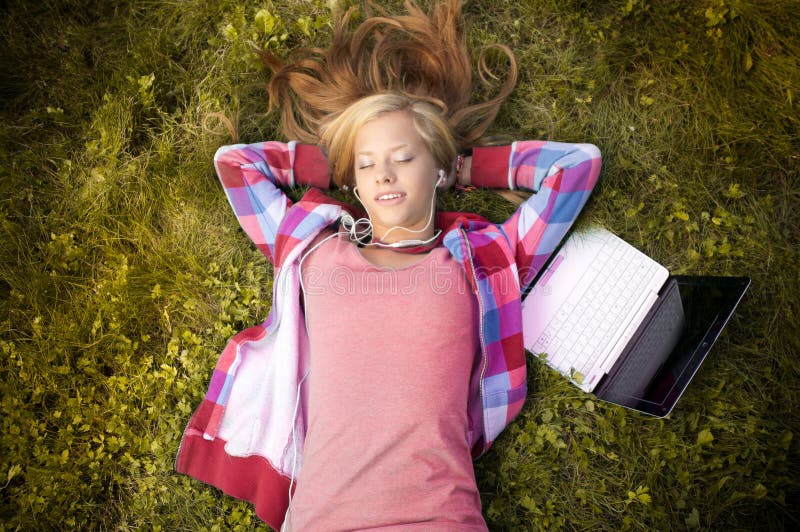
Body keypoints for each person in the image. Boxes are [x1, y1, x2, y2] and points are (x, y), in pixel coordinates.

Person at [176, 1, 602, 530]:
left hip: (441, 518)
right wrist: (336, 162)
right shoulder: (316, 251)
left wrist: (466, 166)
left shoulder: (480, 264)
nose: (383, 174)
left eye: (403, 158)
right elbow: (236, 164)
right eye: (368, 164)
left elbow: (576, 166)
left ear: (437, 171)